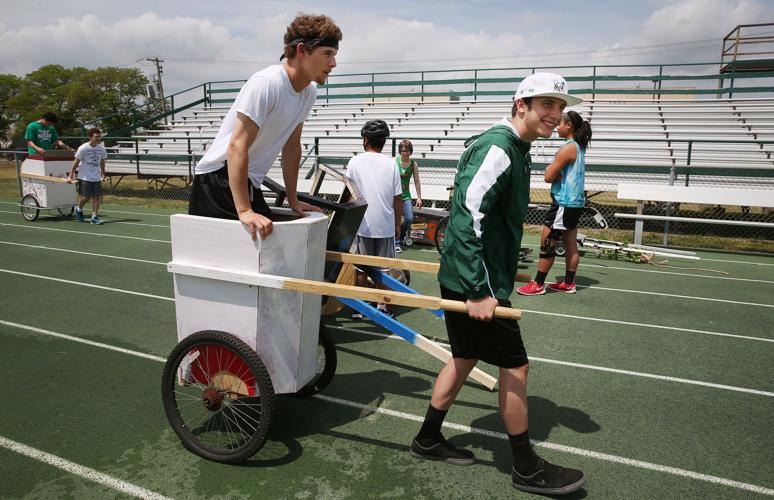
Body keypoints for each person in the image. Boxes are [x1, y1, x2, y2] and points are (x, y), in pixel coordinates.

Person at [410, 73, 587, 495]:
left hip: (475, 273)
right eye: (547, 104)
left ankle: (428, 438)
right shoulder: (500, 146)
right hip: (476, 278)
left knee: (466, 355)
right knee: (515, 366)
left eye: (560, 108)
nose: (556, 114)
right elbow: (466, 217)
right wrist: (478, 288)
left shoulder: (515, 147)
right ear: (520, 104)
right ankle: (526, 466)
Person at [189, 14, 342, 240]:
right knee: (243, 260)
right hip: (216, 181)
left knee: (269, 250)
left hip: (247, 182)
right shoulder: (267, 83)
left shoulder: (309, 92)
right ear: (301, 50)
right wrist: (244, 210)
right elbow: (236, 146)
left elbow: (292, 147)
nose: (333, 63)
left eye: (334, 55)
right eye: (327, 54)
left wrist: (293, 199)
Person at [517, 111, 592, 296]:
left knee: (547, 242)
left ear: (569, 126)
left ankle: (538, 284)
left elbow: (548, 176)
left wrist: (551, 171)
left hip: (564, 203)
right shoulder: (579, 147)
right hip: (575, 203)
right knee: (571, 243)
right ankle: (568, 283)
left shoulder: (568, 148)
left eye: (560, 123)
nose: (557, 127)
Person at [345, 120, 402, 318]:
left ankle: (359, 307)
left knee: (361, 269)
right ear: (384, 142)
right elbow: (398, 198)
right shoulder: (392, 164)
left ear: (365, 139)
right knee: (384, 270)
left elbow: (349, 194)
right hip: (385, 225)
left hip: (362, 224)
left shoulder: (354, 162)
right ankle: (383, 306)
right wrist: (397, 224)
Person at [67, 128, 108, 224]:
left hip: (96, 177)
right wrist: (70, 175)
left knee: (96, 197)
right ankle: (79, 208)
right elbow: (76, 162)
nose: (98, 139)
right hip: (84, 177)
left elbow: (102, 163)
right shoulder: (83, 148)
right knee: (85, 197)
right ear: (90, 137)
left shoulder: (101, 149)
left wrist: (104, 174)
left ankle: (94, 217)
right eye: (96, 137)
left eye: (99, 137)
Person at [395, 139, 422, 253]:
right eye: (403, 150)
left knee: (409, 219)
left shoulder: (413, 164)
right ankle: (396, 243)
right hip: (394, 195)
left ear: (411, 151)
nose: (405, 152)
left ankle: (399, 237)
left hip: (406, 196)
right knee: (394, 219)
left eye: (407, 150)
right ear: (400, 151)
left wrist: (419, 197)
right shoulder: (394, 161)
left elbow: (417, 181)